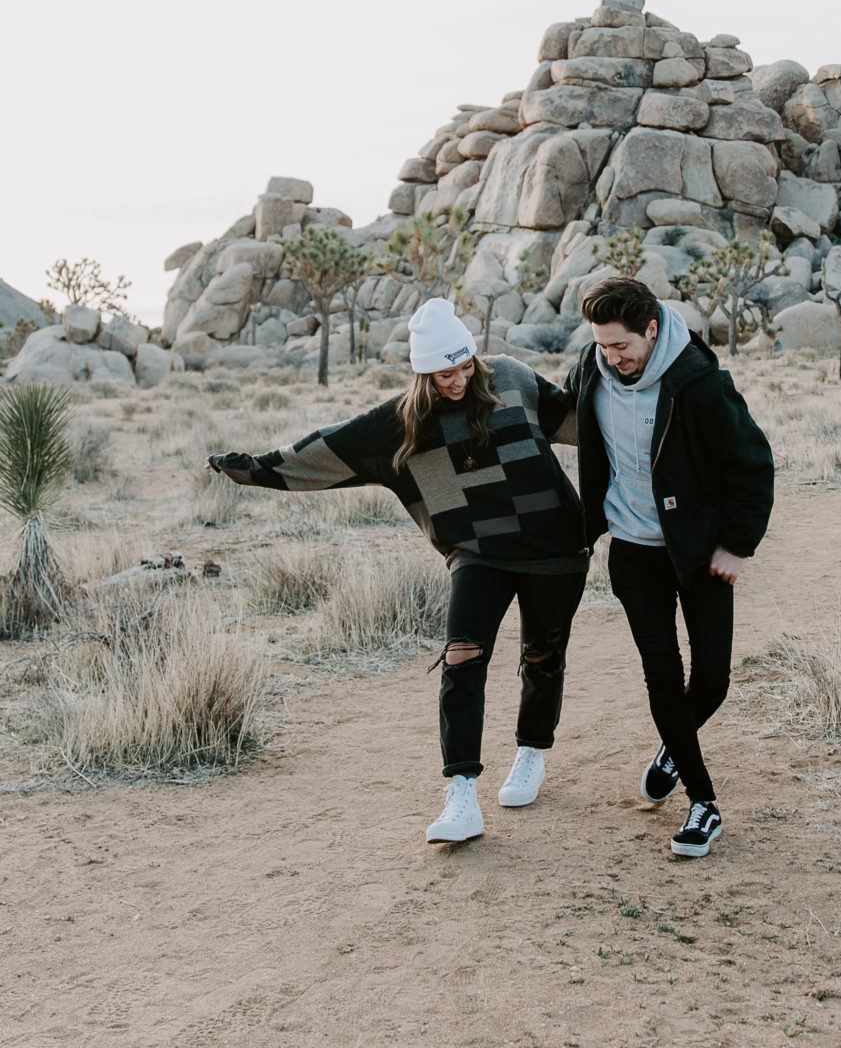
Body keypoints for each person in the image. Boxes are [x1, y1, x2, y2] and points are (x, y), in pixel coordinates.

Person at [208, 298, 589, 845]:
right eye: (443, 373)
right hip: (476, 552)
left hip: (555, 544)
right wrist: (250, 468)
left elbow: (582, 419)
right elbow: (323, 451)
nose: (458, 381)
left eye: (463, 368)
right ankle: (461, 793)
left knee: (542, 654)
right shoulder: (397, 425)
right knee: (462, 654)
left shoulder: (511, 377)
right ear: (421, 371)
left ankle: (530, 752)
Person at [565, 276, 773, 858]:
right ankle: (703, 804)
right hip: (631, 553)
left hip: (698, 553)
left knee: (711, 680)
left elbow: (753, 467)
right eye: (602, 345)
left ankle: (671, 751)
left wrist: (737, 546)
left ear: (651, 331)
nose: (612, 357)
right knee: (662, 674)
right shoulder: (591, 370)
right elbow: (561, 415)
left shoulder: (700, 387)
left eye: (621, 346)